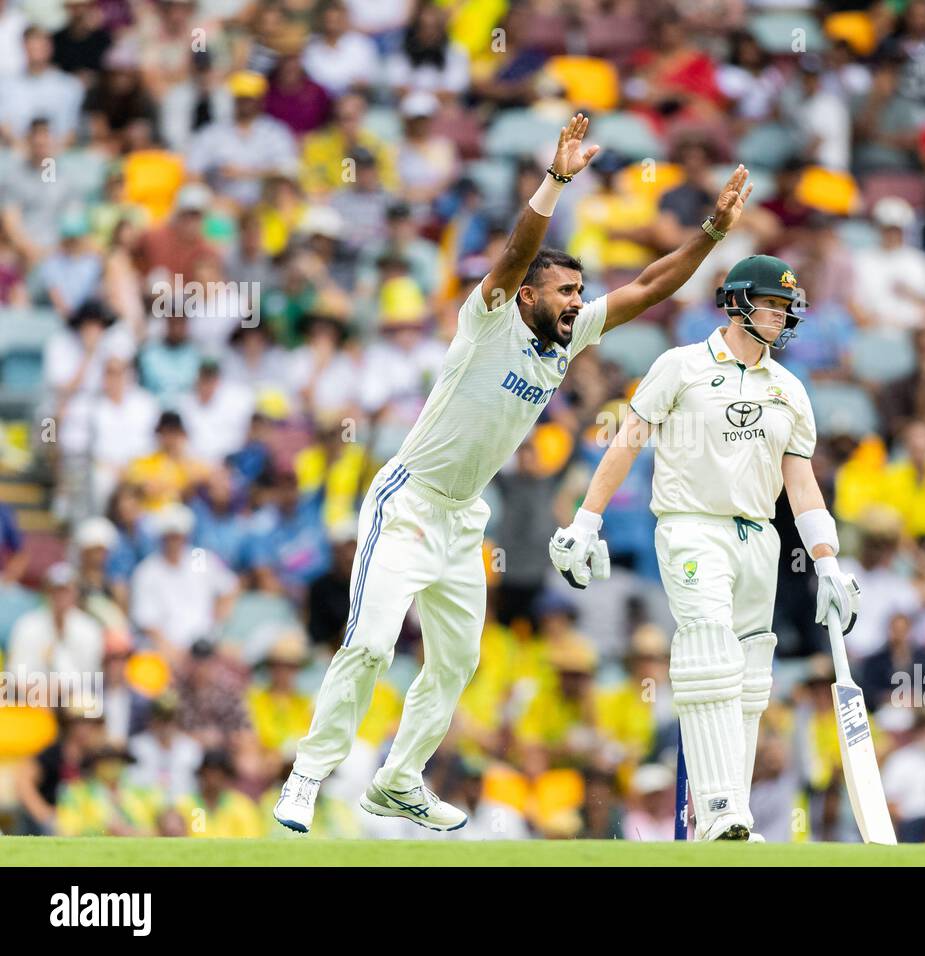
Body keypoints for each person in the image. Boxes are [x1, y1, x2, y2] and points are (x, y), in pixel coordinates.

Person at [275, 114, 755, 833]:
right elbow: (512, 253)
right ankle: (308, 777)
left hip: (464, 517)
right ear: (527, 295)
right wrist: (556, 182)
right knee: (372, 643)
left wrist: (713, 233)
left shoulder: (568, 339)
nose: (576, 302)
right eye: (564, 291)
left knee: (457, 661)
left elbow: (652, 285)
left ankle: (399, 779)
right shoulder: (490, 317)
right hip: (406, 503)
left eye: (580, 292)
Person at [548, 254, 860, 841]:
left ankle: (729, 818)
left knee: (749, 677)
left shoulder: (789, 389)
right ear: (738, 302)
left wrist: (829, 563)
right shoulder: (681, 366)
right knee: (710, 653)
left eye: (787, 307)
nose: (782, 315)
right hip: (691, 526)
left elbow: (800, 480)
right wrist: (586, 522)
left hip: (758, 535)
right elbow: (627, 441)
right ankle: (718, 810)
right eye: (772, 303)